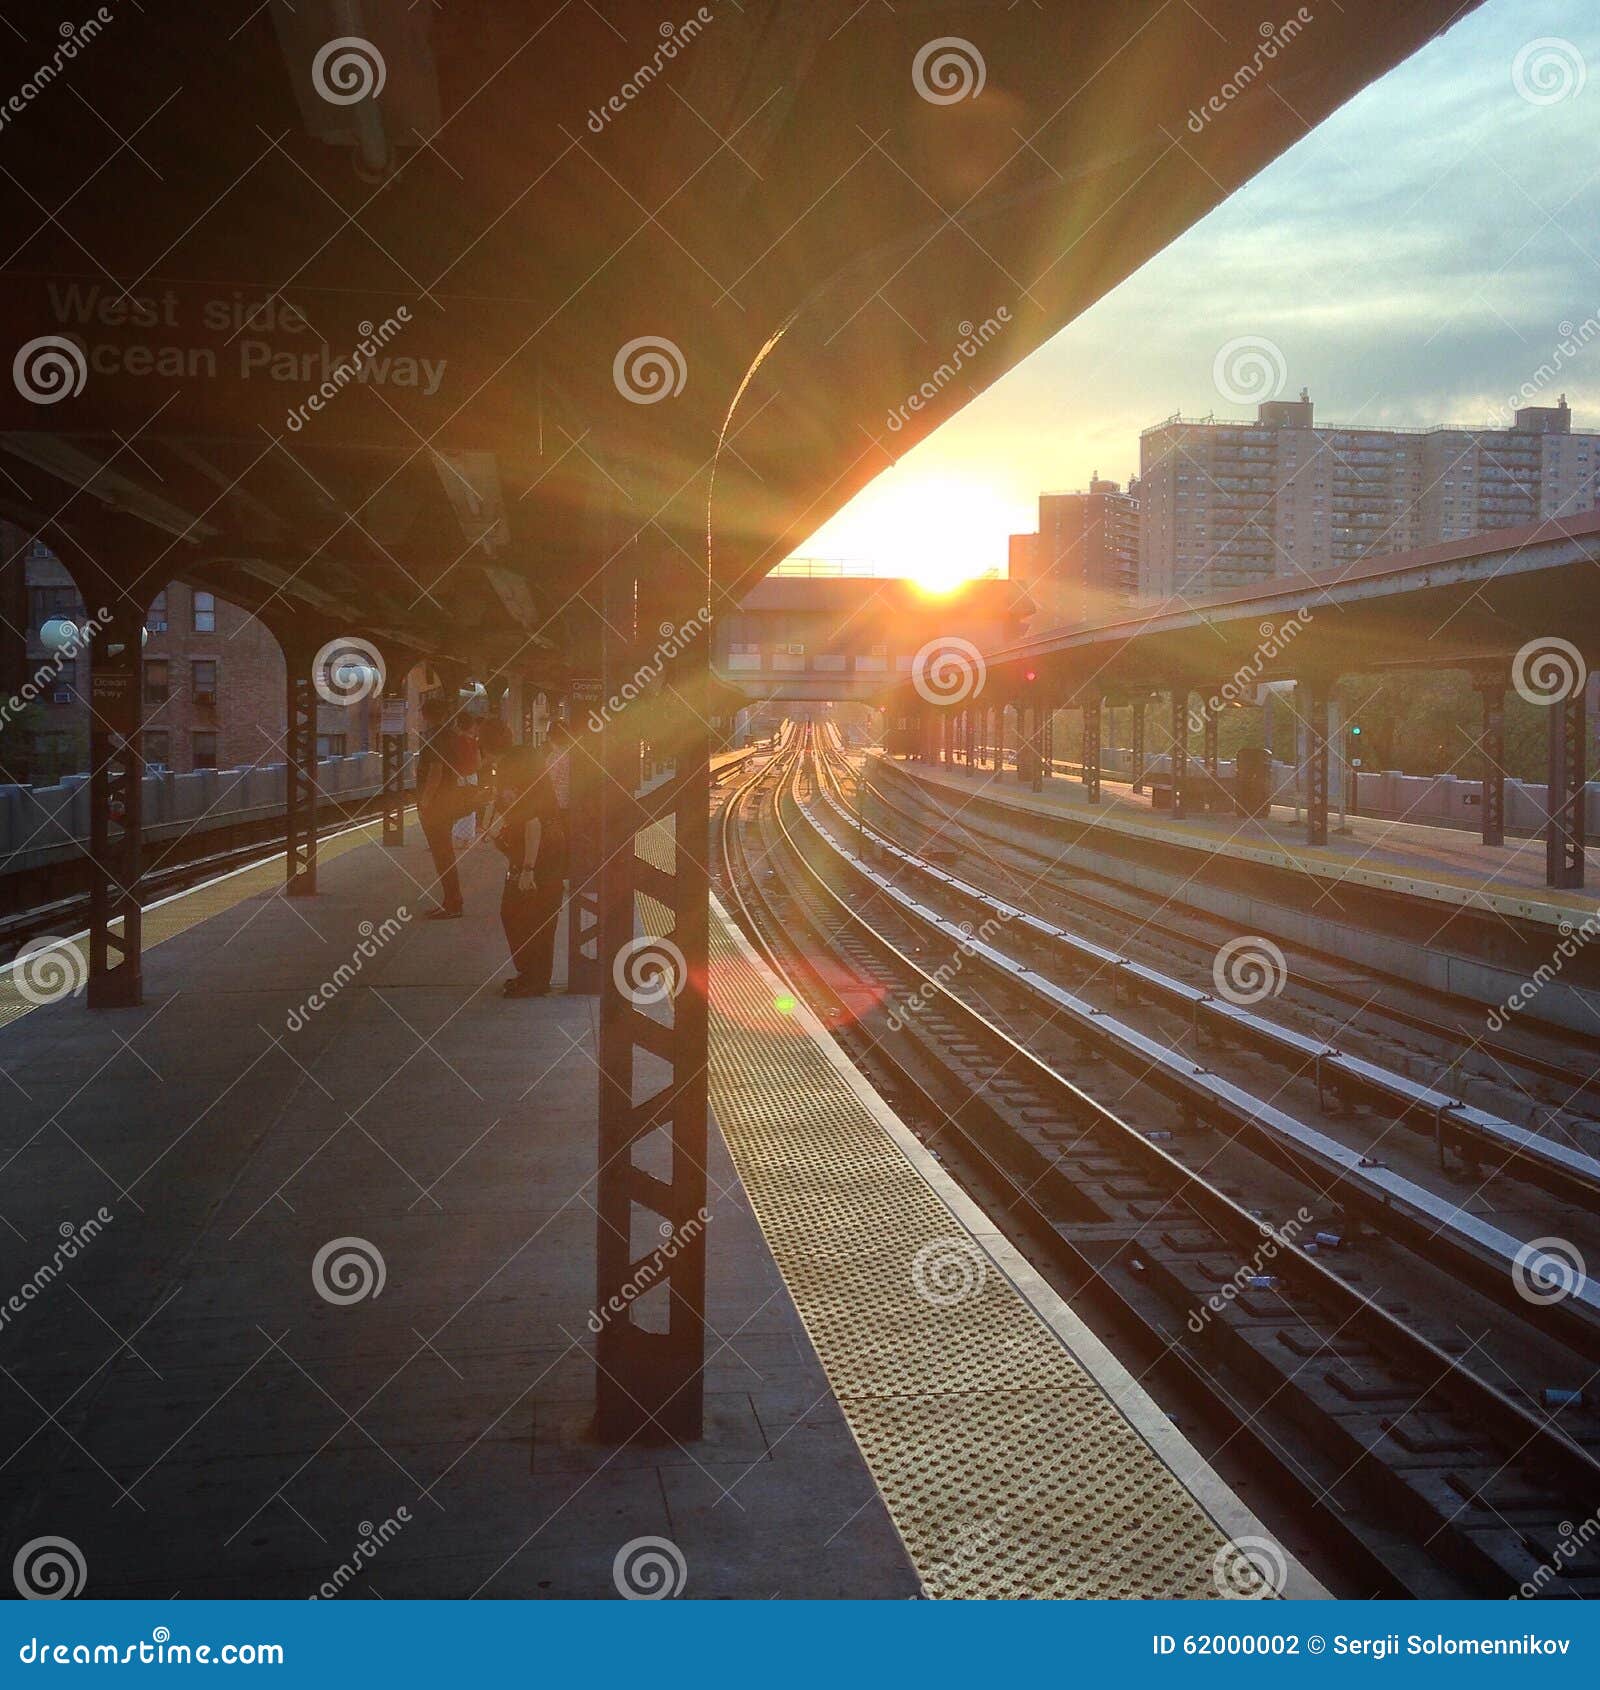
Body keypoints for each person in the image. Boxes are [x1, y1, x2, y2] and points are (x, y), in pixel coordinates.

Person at [490, 743, 567, 997]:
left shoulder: (525, 794)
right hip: (545, 864)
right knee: (537, 922)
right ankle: (533, 977)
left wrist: (527, 869)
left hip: (535, 866)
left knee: (517, 916)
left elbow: (532, 824)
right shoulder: (540, 790)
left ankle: (533, 979)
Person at [416, 696, 474, 919]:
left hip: (436, 805)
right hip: (449, 801)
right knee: (445, 853)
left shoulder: (434, 738)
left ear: (425, 715)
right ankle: (451, 900)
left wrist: (425, 802)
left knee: (442, 855)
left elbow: (435, 772)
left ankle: (453, 903)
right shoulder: (452, 737)